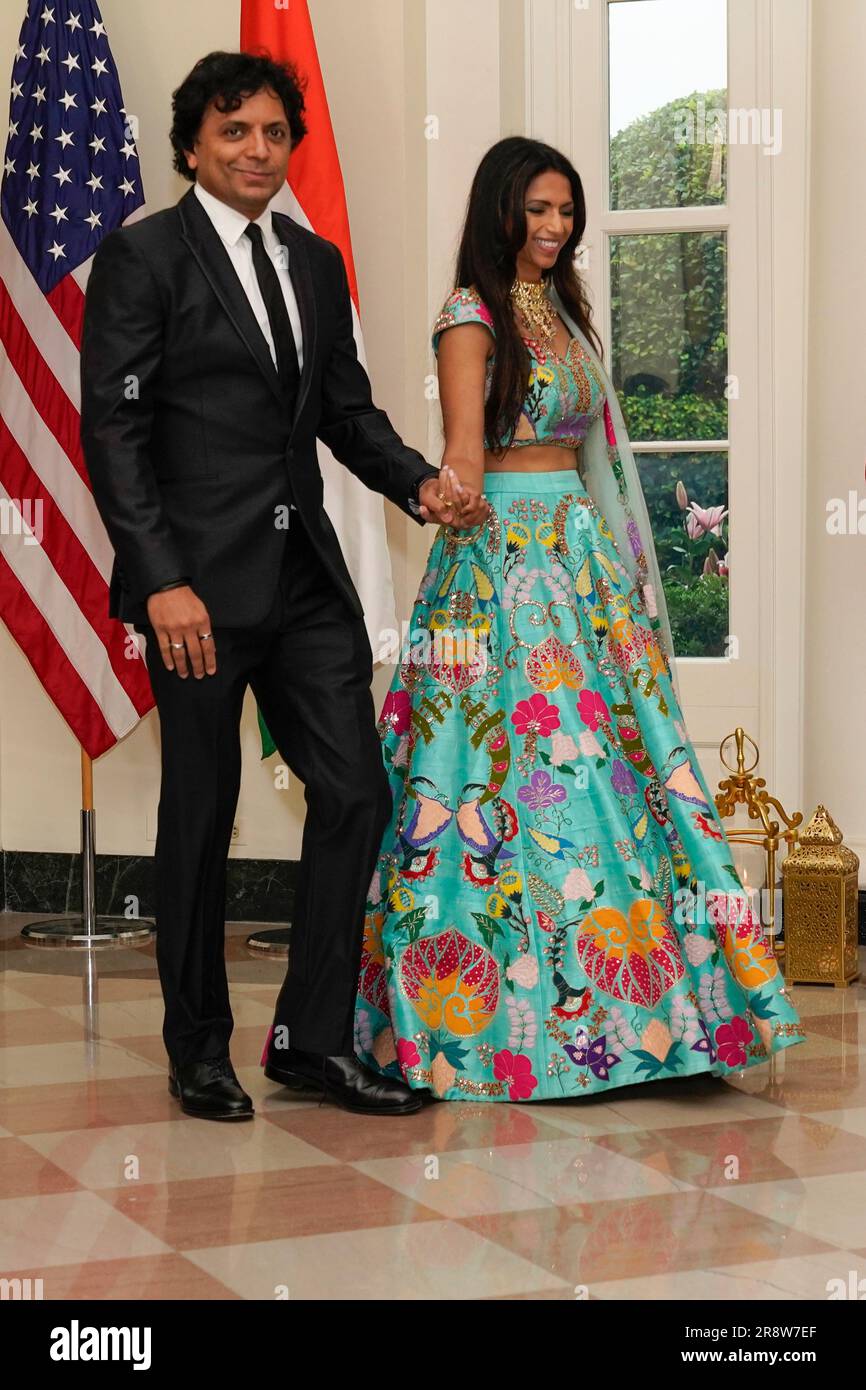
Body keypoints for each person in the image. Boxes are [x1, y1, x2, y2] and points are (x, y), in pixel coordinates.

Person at [352, 136, 806, 1102]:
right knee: (494, 775)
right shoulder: (469, 317)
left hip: (578, 557)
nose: (555, 228)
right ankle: (492, 1023)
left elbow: (592, 449)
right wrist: (447, 501)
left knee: (618, 765)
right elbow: (465, 453)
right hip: (499, 561)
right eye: (540, 211)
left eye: (567, 212)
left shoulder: (560, 310)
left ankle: (663, 1018)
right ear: (500, 211)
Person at [81, 50, 472, 1121]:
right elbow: (111, 431)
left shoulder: (313, 260)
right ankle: (197, 1049)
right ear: (193, 145)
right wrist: (160, 579)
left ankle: (309, 1040)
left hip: (304, 582)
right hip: (194, 597)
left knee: (357, 792)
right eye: (234, 132)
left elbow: (344, 412)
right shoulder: (142, 258)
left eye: (271, 133)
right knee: (200, 817)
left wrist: (421, 485)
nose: (257, 150)